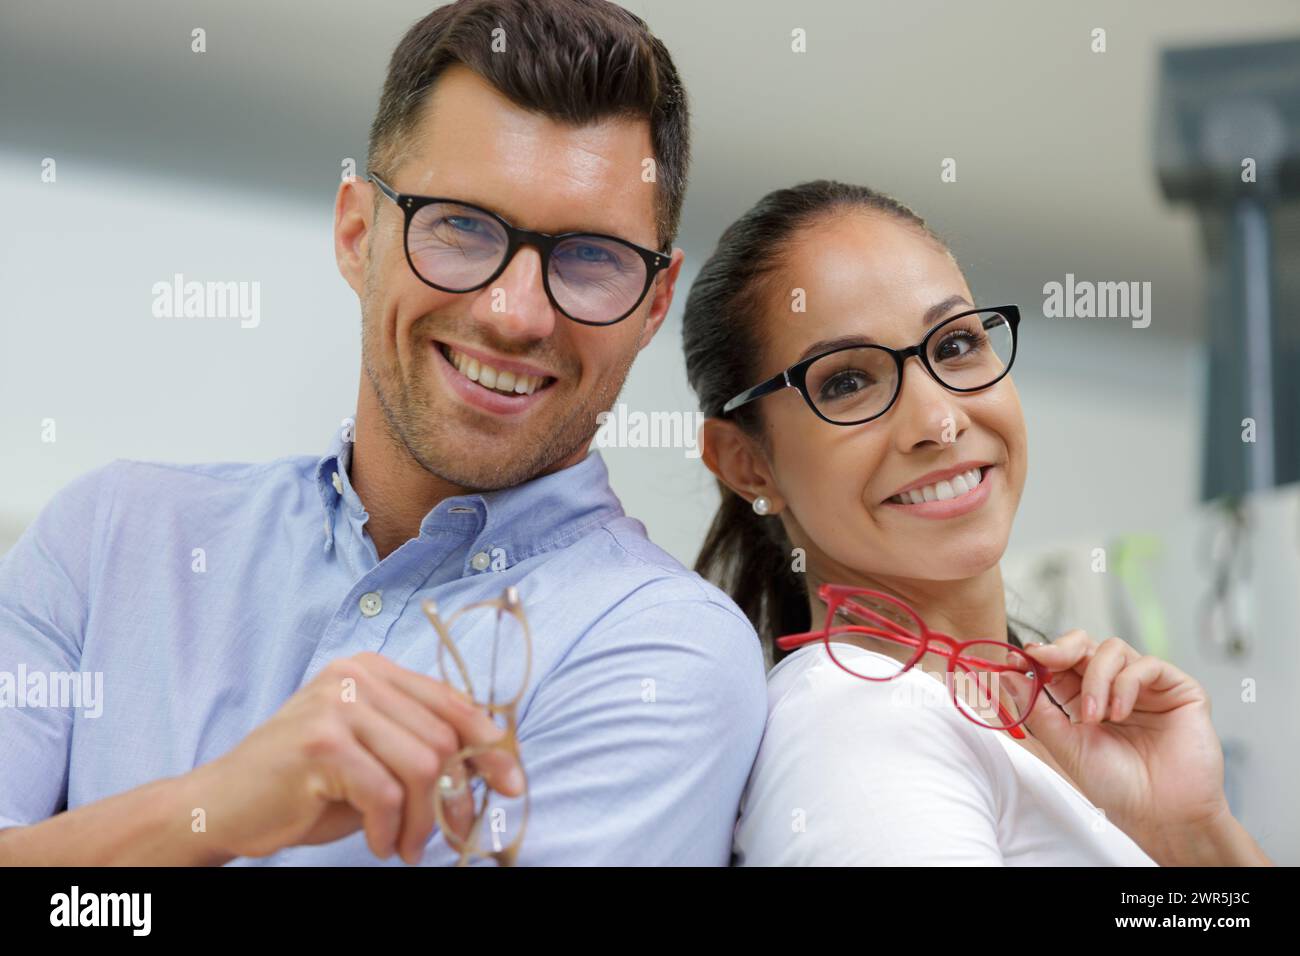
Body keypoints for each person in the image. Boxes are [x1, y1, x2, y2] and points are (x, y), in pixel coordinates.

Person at [0, 0, 766, 866]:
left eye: (590, 257)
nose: (514, 315)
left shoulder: (662, 652)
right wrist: (211, 808)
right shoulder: (110, 540)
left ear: (652, 305)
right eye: (463, 227)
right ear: (357, 234)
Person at [682, 179, 1272, 866]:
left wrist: (1189, 833)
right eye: (846, 380)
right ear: (748, 463)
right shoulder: (860, 727)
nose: (939, 420)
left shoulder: (1022, 736)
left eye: (956, 344)